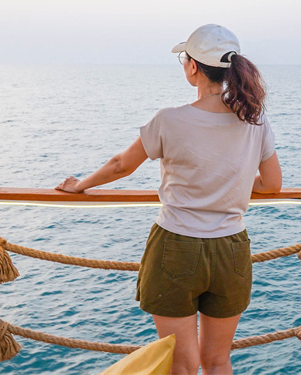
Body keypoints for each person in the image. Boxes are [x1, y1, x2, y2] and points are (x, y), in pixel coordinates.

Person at [57, 24, 282, 375]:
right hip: (231, 250)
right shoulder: (254, 121)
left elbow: (121, 165)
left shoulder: (170, 120)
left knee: (181, 364)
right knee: (218, 361)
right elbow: (272, 185)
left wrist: (80, 185)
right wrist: (232, 181)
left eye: (184, 59)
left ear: (193, 67)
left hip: (176, 246)